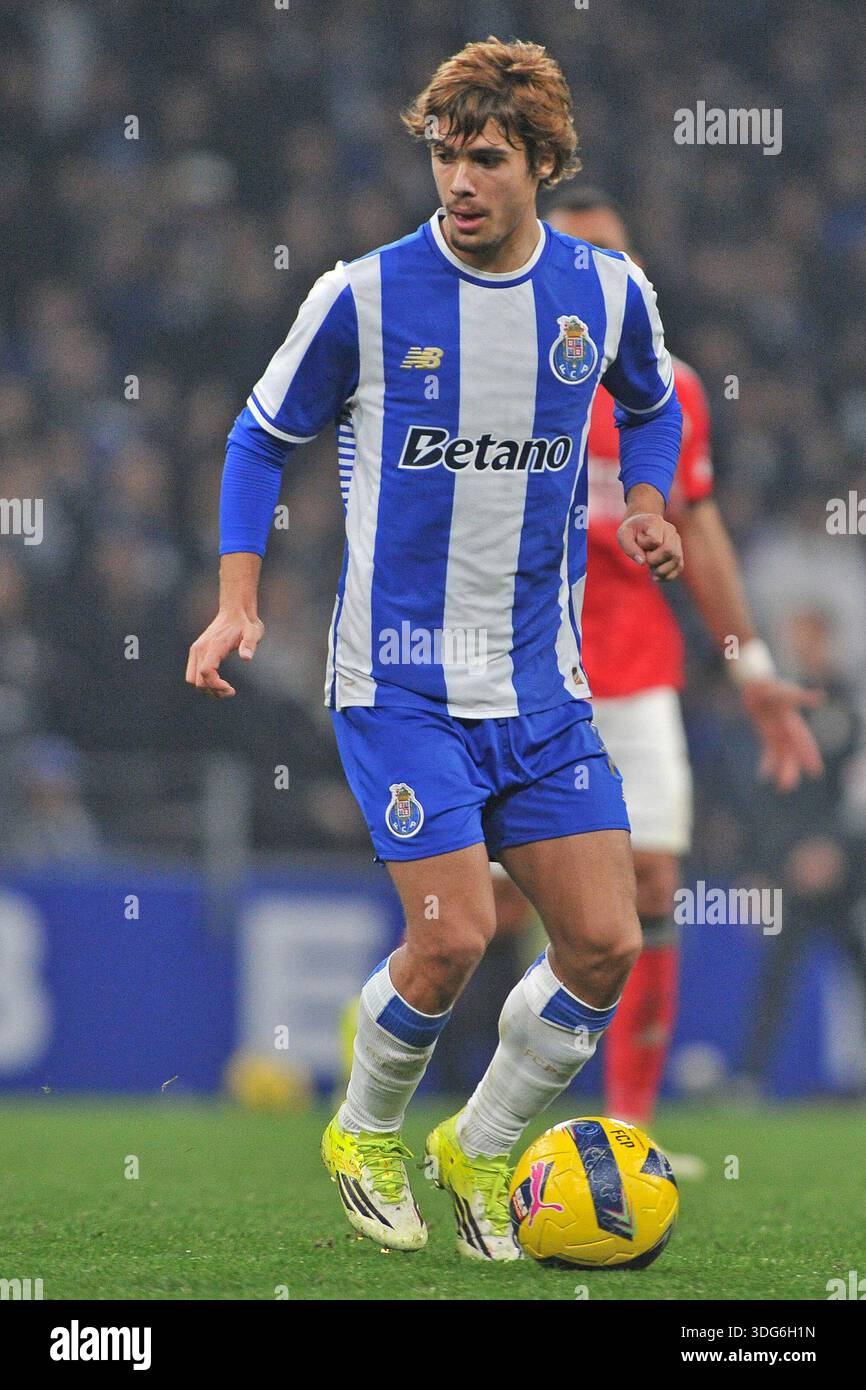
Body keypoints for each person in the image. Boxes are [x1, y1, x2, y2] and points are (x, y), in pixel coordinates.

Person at [187, 37, 686, 1261]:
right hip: (398, 682)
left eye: (486, 159)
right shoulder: (362, 295)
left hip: (538, 683)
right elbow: (258, 439)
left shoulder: (606, 292)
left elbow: (653, 401)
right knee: (455, 933)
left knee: (607, 941)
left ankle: (478, 1142)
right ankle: (362, 1130)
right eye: (444, 156)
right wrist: (236, 596)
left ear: (542, 163)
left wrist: (649, 501)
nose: (458, 181)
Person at [515, 187, 820, 1158]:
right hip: (516, 675)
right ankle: (474, 1099)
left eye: (617, 258)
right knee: (483, 911)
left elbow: (702, 533)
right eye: (579, 256)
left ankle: (625, 1125)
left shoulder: (671, 388)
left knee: (649, 882)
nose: (602, 276)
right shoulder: (501, 378)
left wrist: (749, 665)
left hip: (635, 679)